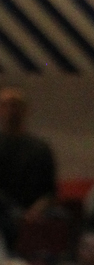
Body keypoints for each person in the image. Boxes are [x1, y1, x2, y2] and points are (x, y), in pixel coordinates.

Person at [0, 87, 56, 225]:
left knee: (60, 218)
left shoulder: (40, 149)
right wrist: (15, 211)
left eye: (16, 105)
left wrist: (37, 210)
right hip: (4, 212)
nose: (11, 111)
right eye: (6, 105)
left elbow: (49, 190)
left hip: (36, 210)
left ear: (25, 110)